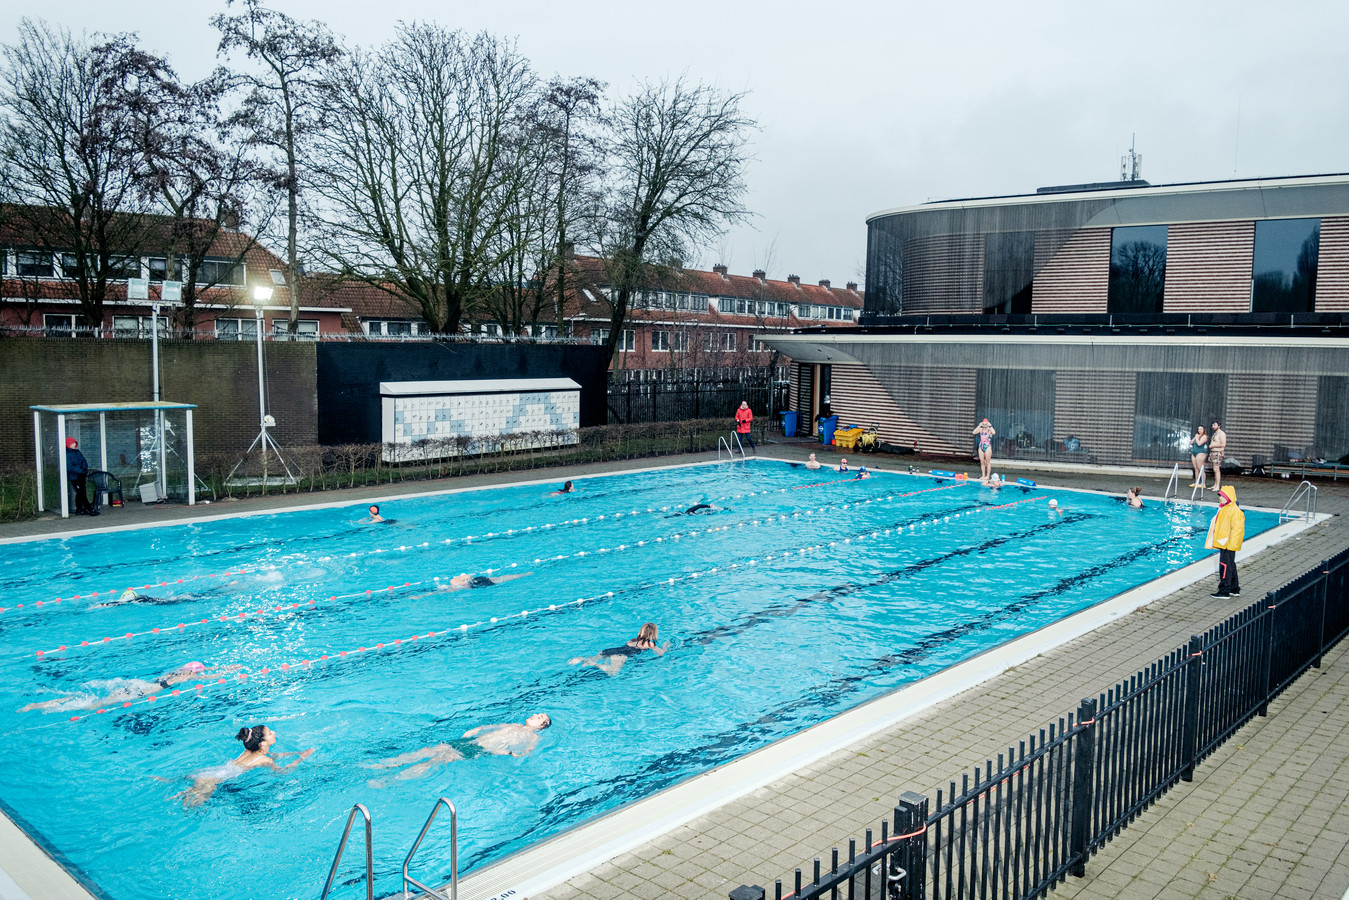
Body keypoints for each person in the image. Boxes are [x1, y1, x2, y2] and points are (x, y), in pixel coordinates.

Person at [368, 714, 551, 780]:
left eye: (540, 717)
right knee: (427, 751)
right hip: (472, 742)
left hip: (479, 750)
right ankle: (388, 764)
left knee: (435, 761)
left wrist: (508, 753)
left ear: (541, 726)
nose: (535, 715)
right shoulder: (514, 725)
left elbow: (527, 752)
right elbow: (488, 727)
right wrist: (474, 730)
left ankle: (392, 780)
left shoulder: (532, 736)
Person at [178, 725, 314, 807]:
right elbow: (283, 772)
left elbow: (276, 754)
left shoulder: (249, 751)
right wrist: (300, 759)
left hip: (207, 774)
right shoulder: (265, 760)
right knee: (191, 810)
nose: (274, 733)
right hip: (211, 782)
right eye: (270, 733)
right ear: (262, 743)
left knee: (187, 796)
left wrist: (297, 752)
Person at [20, 662, 241, 712]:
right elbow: (213, 676)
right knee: (89, 707)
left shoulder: (175, 672)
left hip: (136, 686)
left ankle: (55, 700)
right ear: (194, 672)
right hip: (139, 692)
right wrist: (228, 670)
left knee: (90, 699)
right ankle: (40, 705)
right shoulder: (185, 677)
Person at [569, 623, 668, 675]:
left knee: (595, 657)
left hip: (613, 650)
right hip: (620, 656)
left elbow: (627, 645)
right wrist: (664, 647)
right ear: (654, 634)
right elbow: (661, 653)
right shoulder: (650, 644)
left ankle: (581, 659)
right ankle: (593, 664)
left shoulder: (632, 640)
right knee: (612, 672)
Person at [1205, 486, 1245, 598]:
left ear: (1228, 497)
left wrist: (1230, 545)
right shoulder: (1227, 508)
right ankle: (1234, 588)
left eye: (1222, 496)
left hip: (1227, 544)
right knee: (1230, 565)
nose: (1220, 498)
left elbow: (1237, 530)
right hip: (1226, 543)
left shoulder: (1233, 510)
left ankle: (1224, 590)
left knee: (1225, 566)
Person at [65, 437, 97, 516]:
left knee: (81, 492)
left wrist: (84, 469)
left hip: (81, 475)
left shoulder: (77, 452)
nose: (74, 444)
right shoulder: (66, 454)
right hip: (74, 477)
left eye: (74, 443)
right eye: (72, 443)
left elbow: (84, 461)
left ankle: (79, 509)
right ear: (68, 444)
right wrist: (80, 471)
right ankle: (89, 508)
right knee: (81, 493)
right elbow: (69, 467)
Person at [1209, 420, 1228, 491]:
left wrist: (1213, 445)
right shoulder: (1215, 433)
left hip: (1218, 452)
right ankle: (1215, 484)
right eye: (1212, 425)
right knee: (1214, 469)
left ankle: (1218, 486)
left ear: (1218, 426)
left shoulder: (1221, 434)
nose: (1213, 426)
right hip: (1213, 452)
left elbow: (1223, 444)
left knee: (1217, 469)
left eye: (1214, 425)